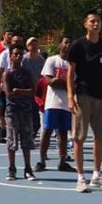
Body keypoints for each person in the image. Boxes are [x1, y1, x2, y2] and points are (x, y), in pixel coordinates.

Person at [67, 12, 102, 192]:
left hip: (101, 96)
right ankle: (81, 177)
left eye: (98, 21)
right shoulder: (77, 46)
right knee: (79, 137)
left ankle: (97, 175)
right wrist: (70, 96)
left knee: (99, 138)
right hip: (82, 95)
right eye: (92, 21)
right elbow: (70, 73)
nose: (96, 24)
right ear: (85, 24)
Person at [2, 44, 38, 181]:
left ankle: (28, 169)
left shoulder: (27, 72)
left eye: (20, 54)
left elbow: (33, 91)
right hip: (12, 111)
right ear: (10, 55)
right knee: (12, 141)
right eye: (15, 54)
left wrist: (20, 91)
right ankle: (12, 169)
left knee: (26, 141)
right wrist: (21, 92)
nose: (18, 57)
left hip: (26, 110)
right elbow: (9, 94)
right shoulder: (8, 73)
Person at [38, 37, 73, 173]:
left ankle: (62, 161)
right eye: (66, 42)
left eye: (70, 43)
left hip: (66, 104)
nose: (68, 45)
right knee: (47, 131)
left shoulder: (72, 63)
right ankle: (41, 161)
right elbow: (49, 81)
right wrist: (63, 82)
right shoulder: (52, 60)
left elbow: (73, 85)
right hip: (52, 103)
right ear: (60, 44)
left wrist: (60, 81)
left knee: (63, 134)